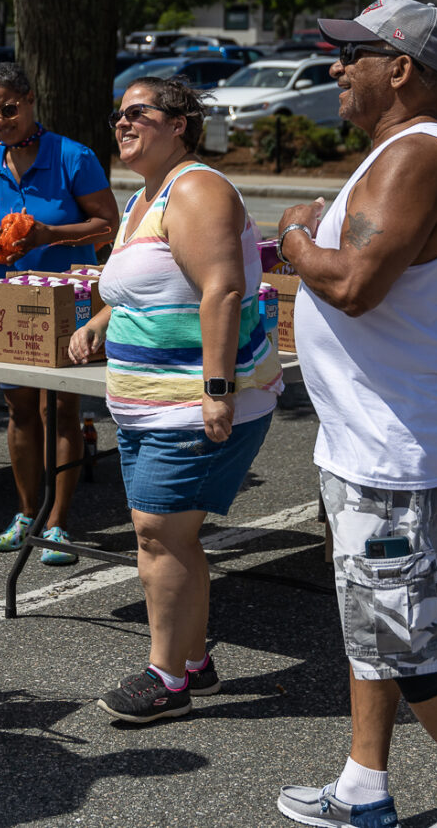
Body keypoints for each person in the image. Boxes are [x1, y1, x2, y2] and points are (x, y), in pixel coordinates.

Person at [273, 0, 437, 828]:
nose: (336, 69)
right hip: (383, 443)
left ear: (402, 69)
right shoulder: (403, 152)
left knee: (409, 640)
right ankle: (362, 786)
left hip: (396, 454)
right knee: (375, 623)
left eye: (354, 54)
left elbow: (352, 286)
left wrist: (291, 239)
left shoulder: (417, 155)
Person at [69, 76, 282, 723]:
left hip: (191, 405)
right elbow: (144, 283)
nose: (122, 124)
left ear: (180, 123)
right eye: (118, 114)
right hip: (147, 406)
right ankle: (194, 662)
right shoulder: (146, 198)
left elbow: (220, 288)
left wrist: (216, 391)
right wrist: (99, 321)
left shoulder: (197, 188)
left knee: (161, 536)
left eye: (138, 113)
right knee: (169, 538)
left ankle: (167, 679)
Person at [0, 61, 119, 564]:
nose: (1, 121)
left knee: (63, 409)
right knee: (20, 409)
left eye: (9, 108)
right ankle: (26, 515)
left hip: (66, 298)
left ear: (30, 100)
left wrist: (49, 235)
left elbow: (107, 225)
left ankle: (59, 525)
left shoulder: (73, 157)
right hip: (12, 302)